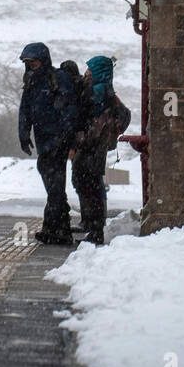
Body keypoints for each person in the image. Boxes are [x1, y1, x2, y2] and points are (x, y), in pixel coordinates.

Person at [18, 43, 79, 244]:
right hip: (43, 140)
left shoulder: (58, 79)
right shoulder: (31, 81)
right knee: (53, 185)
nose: (31, 66)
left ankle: (53, 228)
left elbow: (69, 109)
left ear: (43, 60)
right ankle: (59, 229)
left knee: (54, 185)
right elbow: (25, 109)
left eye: (33, 62)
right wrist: (24, 134)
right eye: (28, 63)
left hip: (58, 140)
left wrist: (66, 137)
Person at [70, 55, 131, 246]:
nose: (87, 73)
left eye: (90, 70)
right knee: (89, 183)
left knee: (88, 185)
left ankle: (95, 229)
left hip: (91, 146)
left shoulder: (97, 91)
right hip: (96, 146)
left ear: (97, 71)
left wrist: (79, 140)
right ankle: (92, 225)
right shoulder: (106, 90)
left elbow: (88, 120)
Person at [59, 59, 94, 233]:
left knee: (82, 181)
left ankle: (89, 221)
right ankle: (89, 220)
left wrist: (72, 145)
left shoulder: (75, 90)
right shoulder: (82, 86)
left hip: (81, 142)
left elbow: (76, 120)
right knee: (85, 182)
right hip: (84, 141)